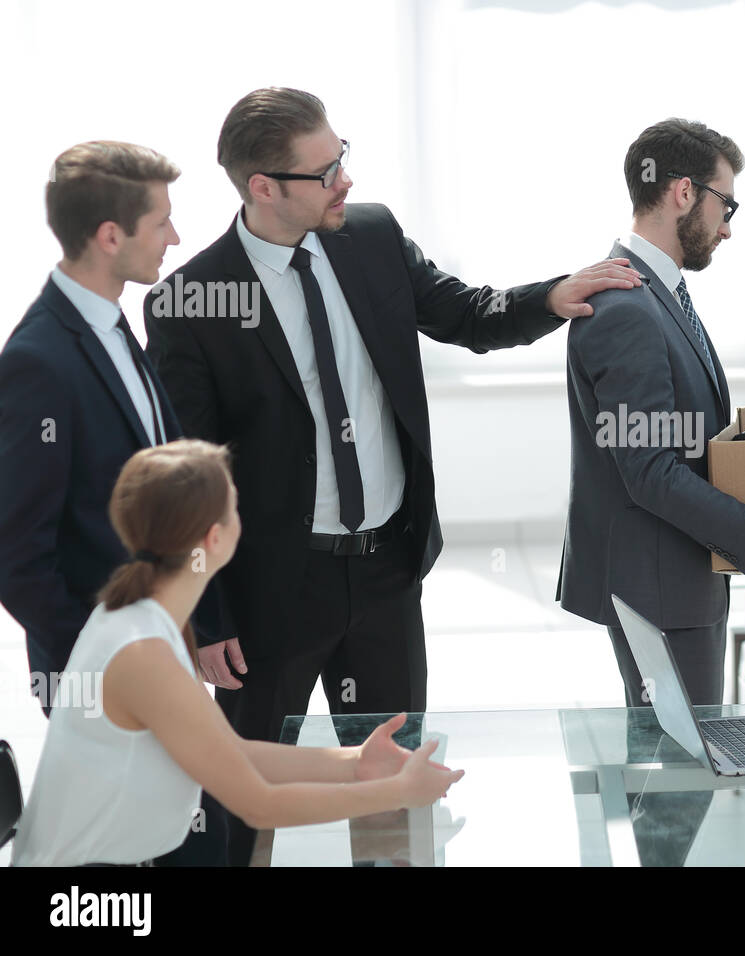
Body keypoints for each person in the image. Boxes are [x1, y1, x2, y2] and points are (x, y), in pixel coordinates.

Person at [144, 88, 640, 866]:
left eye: (344, 155)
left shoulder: (369, 237)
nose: (345, 179)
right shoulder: (190, 301)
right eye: (325, 170)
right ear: (263, 188)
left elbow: (465, 313)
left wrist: (552, 296)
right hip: (273, 591)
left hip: (385, 572)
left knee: (393, 782)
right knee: (237, 797)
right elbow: (186, 473)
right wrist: (205, 614)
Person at [557, 119, 745, 866]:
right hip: (659, 586)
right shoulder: (625, 306)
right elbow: (651, 472)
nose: (728, 226)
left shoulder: (656, 292)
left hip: (672, 578)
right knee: (680, 787)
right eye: (726, 204)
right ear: (682, 192)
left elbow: (684, 442)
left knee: (677, 779)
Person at [12, 440, 463, 867]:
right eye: (234, 505)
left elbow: (234, 753)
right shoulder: (144, 651)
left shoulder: (144, 617)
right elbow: (259, 805)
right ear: (213, 538)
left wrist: (358, 762)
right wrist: (398, 791)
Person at [0, 141, 226, 863]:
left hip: (160, 652)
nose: (176, 238)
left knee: (194, 837)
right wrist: (106, 662)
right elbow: (15, 553)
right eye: (161, 222)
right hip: (110, 676)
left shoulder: (114, 322)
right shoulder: (39, 361)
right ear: (110, 236)